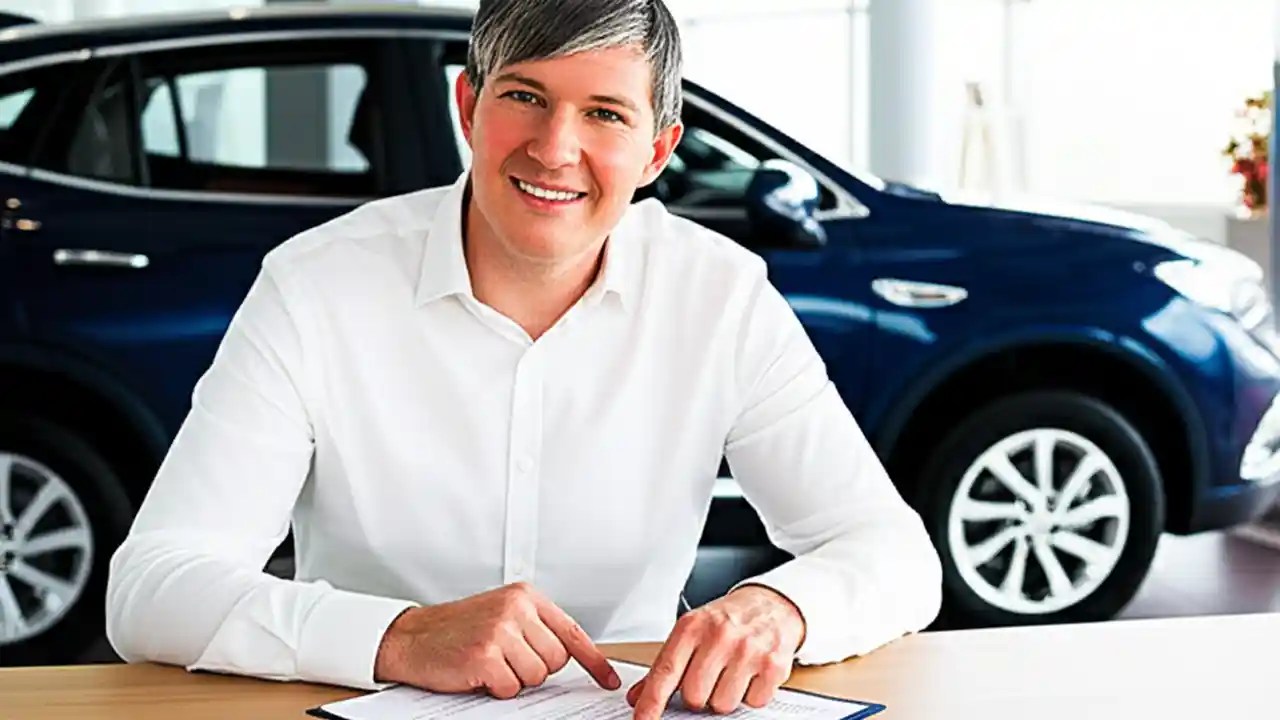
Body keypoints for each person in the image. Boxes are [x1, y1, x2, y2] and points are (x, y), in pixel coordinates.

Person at [105, 0, 942, 716]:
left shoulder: (721, 297)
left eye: (605, 114)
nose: (553, 147)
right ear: (469, 106)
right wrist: (398, 636)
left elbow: (895, 555)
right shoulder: (315, 287)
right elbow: (151, 589)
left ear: (658, 151)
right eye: (525, 96)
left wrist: (779, 607)